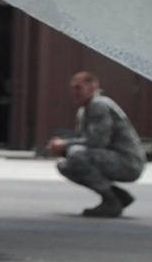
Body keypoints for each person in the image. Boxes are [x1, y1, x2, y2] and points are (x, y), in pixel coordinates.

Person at [49, 70, 144, 217]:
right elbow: (86, 141)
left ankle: (111, 201)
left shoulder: (99, 104)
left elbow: (97, 141)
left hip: (128, 162)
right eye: (72, 88)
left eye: (79, 88)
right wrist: (62, 147)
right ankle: (118, 195)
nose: (75, 93)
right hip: (113, 157)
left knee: (76, 154)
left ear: (93, 87)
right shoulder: (84, 110)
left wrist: (64, 145)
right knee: (64, 165)